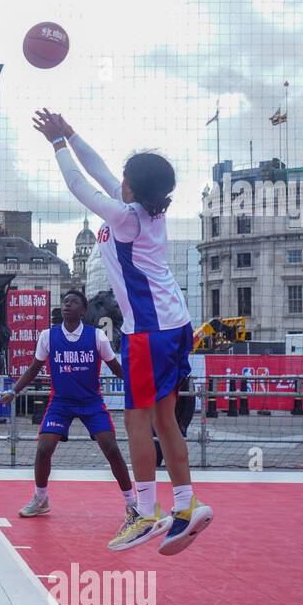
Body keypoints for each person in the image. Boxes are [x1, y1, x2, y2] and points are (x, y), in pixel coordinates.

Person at [36, 108, 211, 555]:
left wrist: (57, 144)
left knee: (136, 419)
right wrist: (72, 132)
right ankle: (187, 504)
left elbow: (79, 185)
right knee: (165, 417)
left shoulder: (126, 218)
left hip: (149, 330)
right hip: (175, 324)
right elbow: (98, 170)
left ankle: (148, 513)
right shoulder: (142, 210)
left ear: (133, 185)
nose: (120, 179)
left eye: (126, 176)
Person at [0, 290, 136, 520]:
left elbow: (115, 367)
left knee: (111, 447)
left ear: (82, 311)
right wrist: (14, 391)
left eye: (73, 302)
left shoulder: (96, 337)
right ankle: (41, 499)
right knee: (43, 449)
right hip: (61, 402)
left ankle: (132, 503)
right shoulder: (48, 336)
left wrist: (136, 386)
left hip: (90, 401)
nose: (67, 305)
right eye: (65, 302)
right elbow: (33, 369)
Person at [155, 374, 196, 468]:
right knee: (156, 453)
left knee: (176, 457)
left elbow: (189, 406)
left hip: (176, 423)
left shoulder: (185, 379)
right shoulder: (157, 376)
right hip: (158, 423)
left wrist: (183, 425)